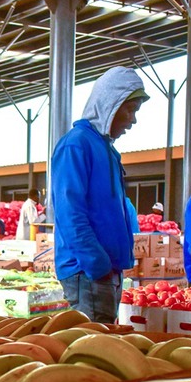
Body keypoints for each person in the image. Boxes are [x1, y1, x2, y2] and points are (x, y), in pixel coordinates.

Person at [50, 66, 150, 323]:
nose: (133, 120)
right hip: (87, 271)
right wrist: (97, 264)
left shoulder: (104, 148)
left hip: (104, 271)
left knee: (104, 344)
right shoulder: (77, 144)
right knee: (94, 349)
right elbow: (70, 213)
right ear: (110, 104)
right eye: (131, 110)